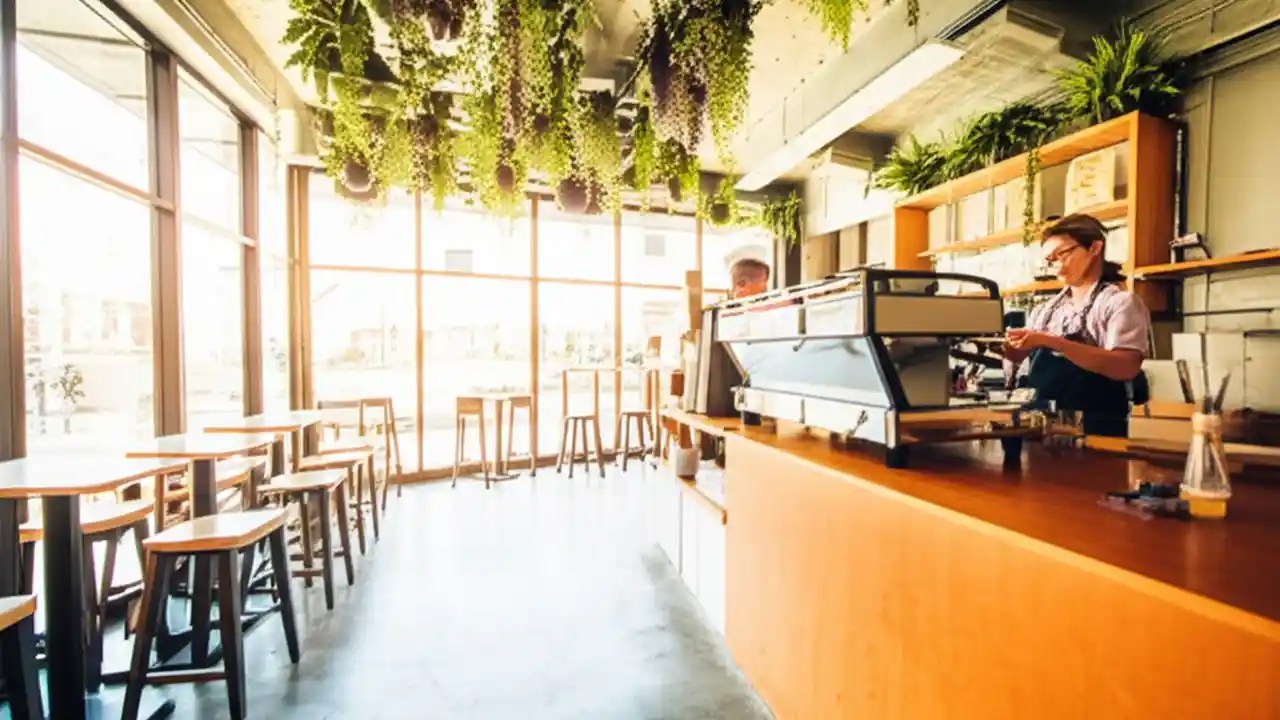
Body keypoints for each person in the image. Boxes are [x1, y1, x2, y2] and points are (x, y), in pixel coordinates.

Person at [1003, 213, 1151, 437]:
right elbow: (1023, 361)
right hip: (1042, 429)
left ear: (1094, 248)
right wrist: (1010, 349)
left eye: (1063, 254)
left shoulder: (1119, 303)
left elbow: (1126, 366)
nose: (1058, 268)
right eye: (1051, 261)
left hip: (1098, 429)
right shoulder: (1044, 311)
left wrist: (1054, 342)